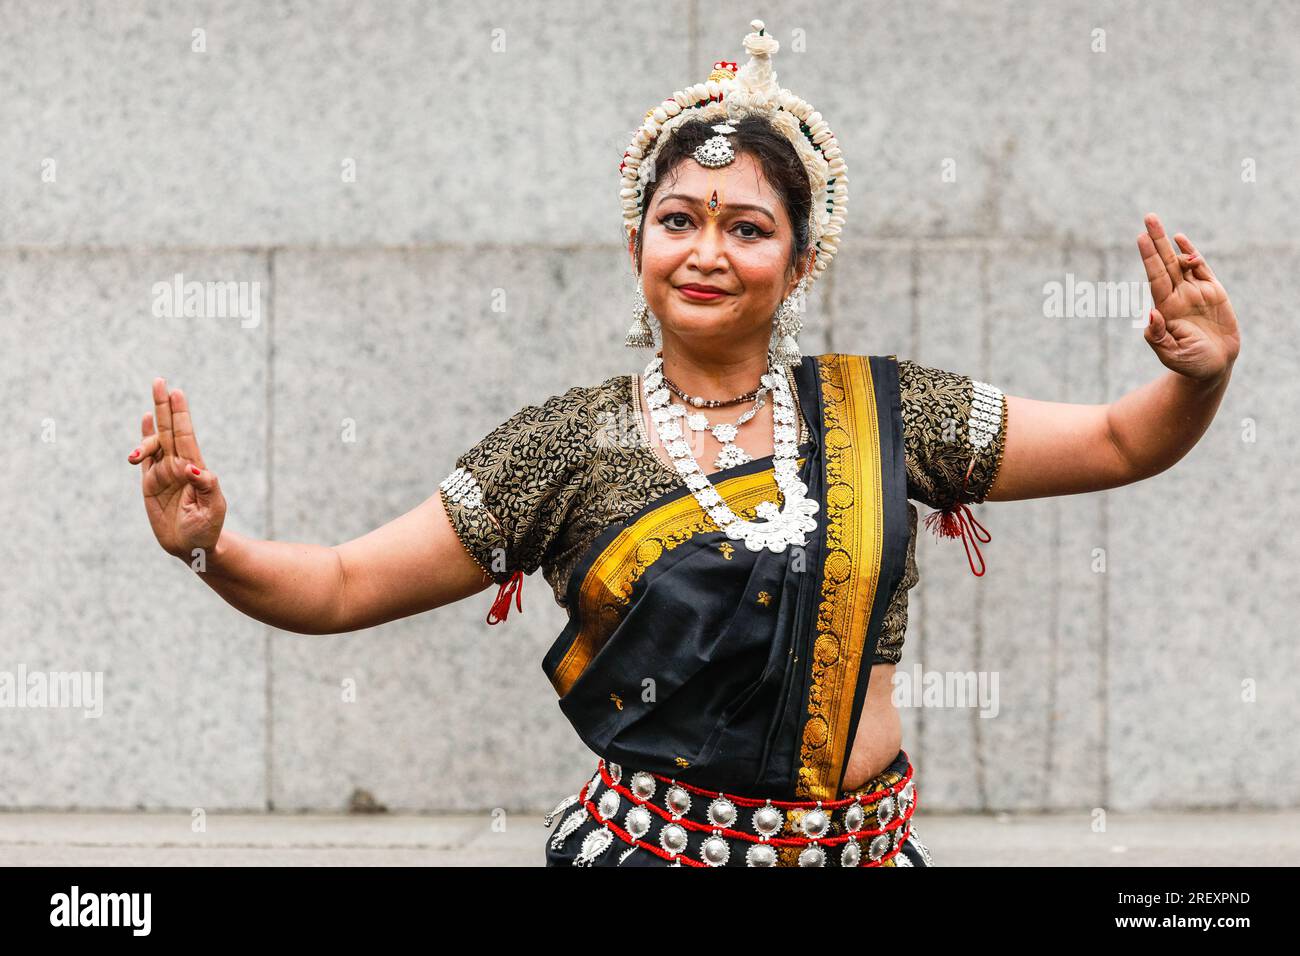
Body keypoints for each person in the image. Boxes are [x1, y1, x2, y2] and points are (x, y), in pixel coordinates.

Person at [126, 20, 1239, 867]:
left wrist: (1196, 377)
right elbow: (337, 582)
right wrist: (210, 546)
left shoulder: (888, 412)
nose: (707, 251)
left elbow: (1115, 440)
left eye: (747, 227)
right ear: (638, 243)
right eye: (680, 220)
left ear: (800, 263)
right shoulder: (568, 446)